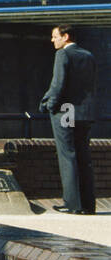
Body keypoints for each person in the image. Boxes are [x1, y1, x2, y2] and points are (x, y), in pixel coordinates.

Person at [38, 23, 98, 214]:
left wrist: (48, 104)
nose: (52, 40)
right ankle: (88, 205)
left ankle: (72, 204)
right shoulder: (89, 56)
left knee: (67, 155)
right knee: (83, 157)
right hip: (85, 113)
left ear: (66, 37)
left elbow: (58, 83)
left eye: (55, 36)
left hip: (66, 110)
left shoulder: (63, 54)